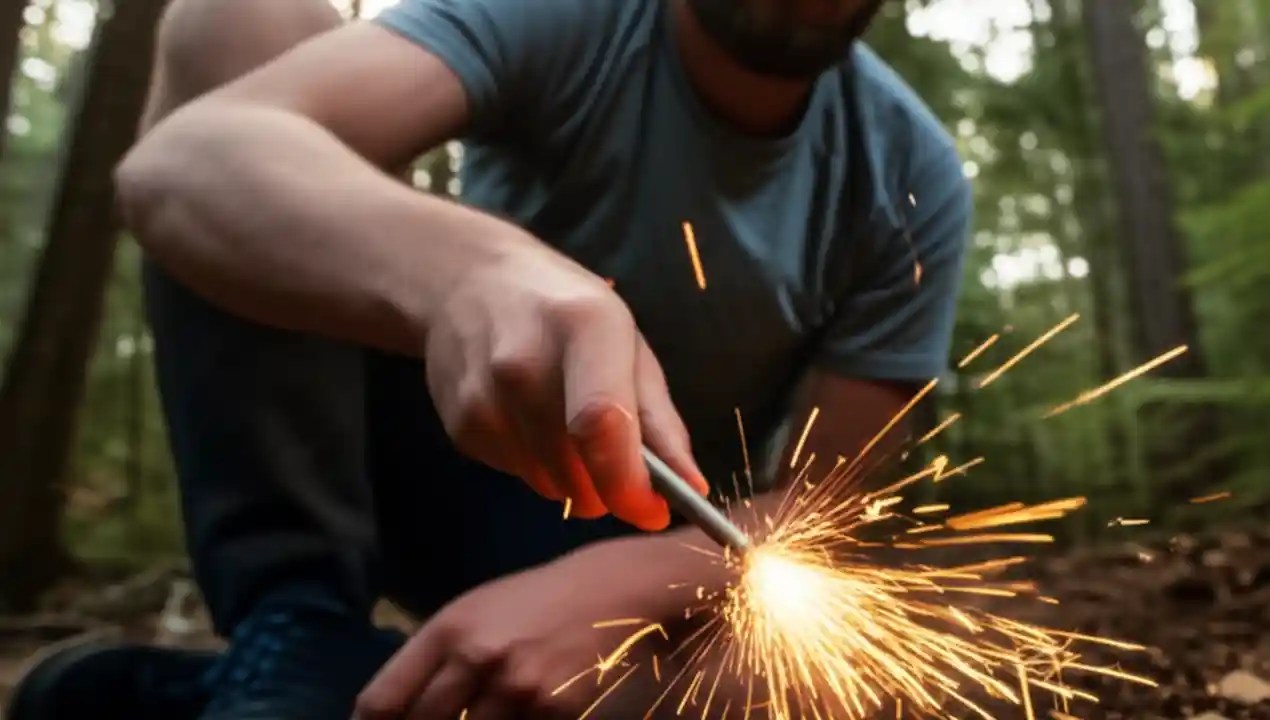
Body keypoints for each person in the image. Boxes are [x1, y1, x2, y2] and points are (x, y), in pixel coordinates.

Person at [7, 0, 971, 716]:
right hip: (415, 442)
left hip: (649, 539)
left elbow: (829, 502)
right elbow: (185, 162)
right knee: (240, 22)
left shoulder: (908, 176)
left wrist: (611, 590)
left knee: (803, 684)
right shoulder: (574, 20)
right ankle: (296, 629)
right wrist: (470, 276)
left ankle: (276, 693)